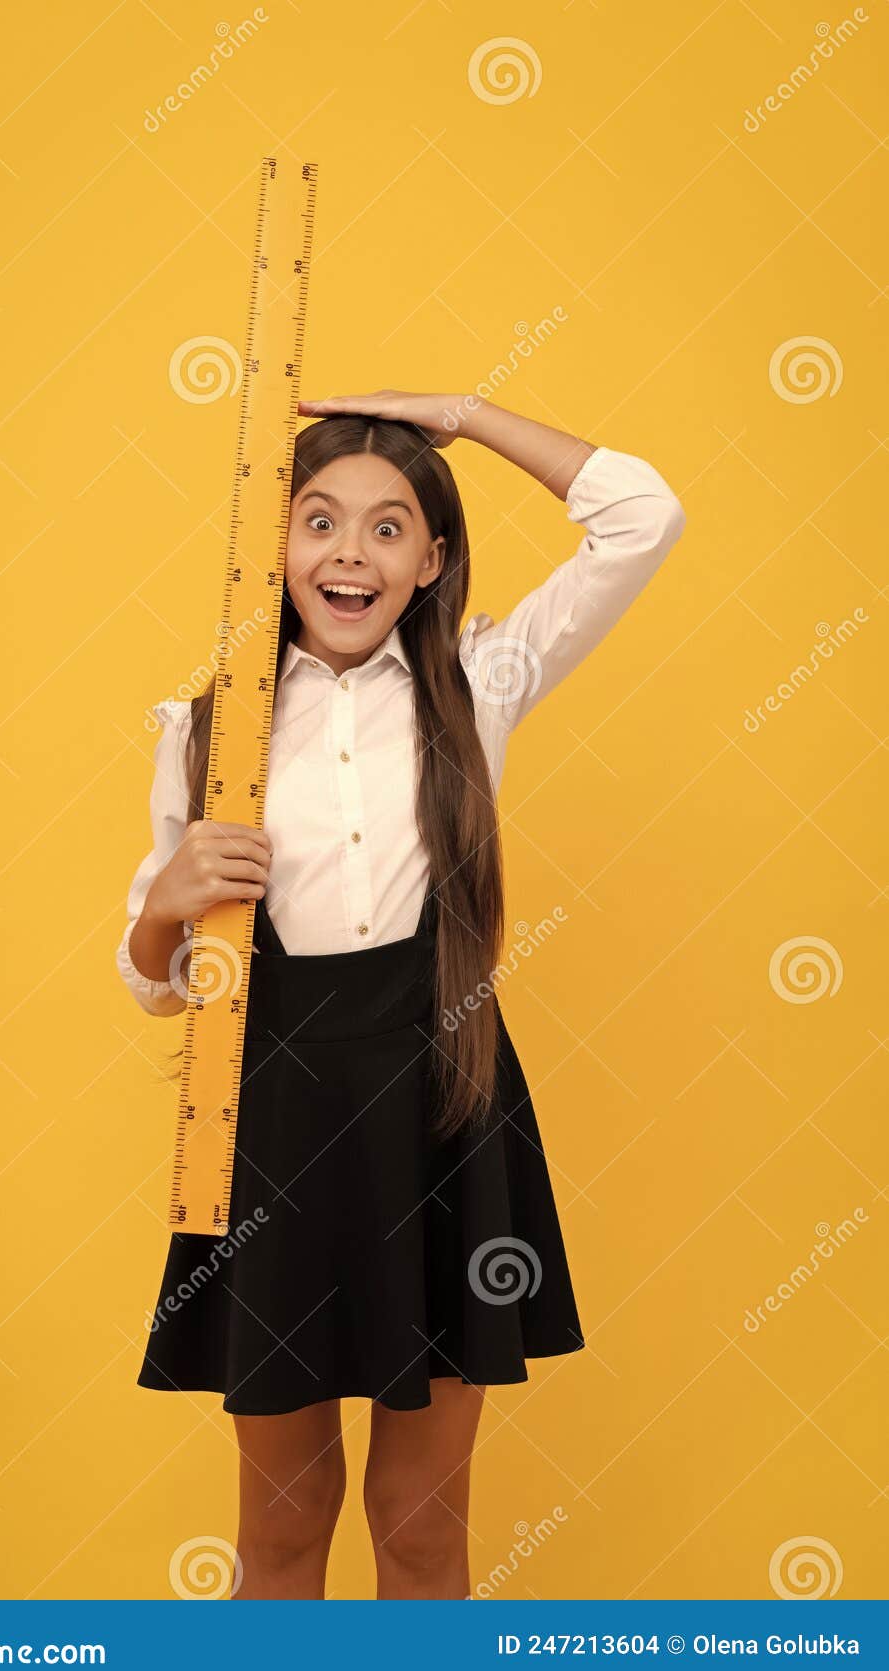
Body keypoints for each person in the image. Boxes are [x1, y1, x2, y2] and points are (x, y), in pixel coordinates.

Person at [117, 391, 686, 1599]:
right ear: (271, 548)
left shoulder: (480, 683)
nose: (348, 553)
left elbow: (642, 515)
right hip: (269, 1138)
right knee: (279, 1529)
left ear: (430, 561)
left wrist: (465, 418)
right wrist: (166, 902)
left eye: (387, 529)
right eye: (317, 521)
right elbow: (155, 985)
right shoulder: (204, 731)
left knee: (418, 1527)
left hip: (440, 1116)